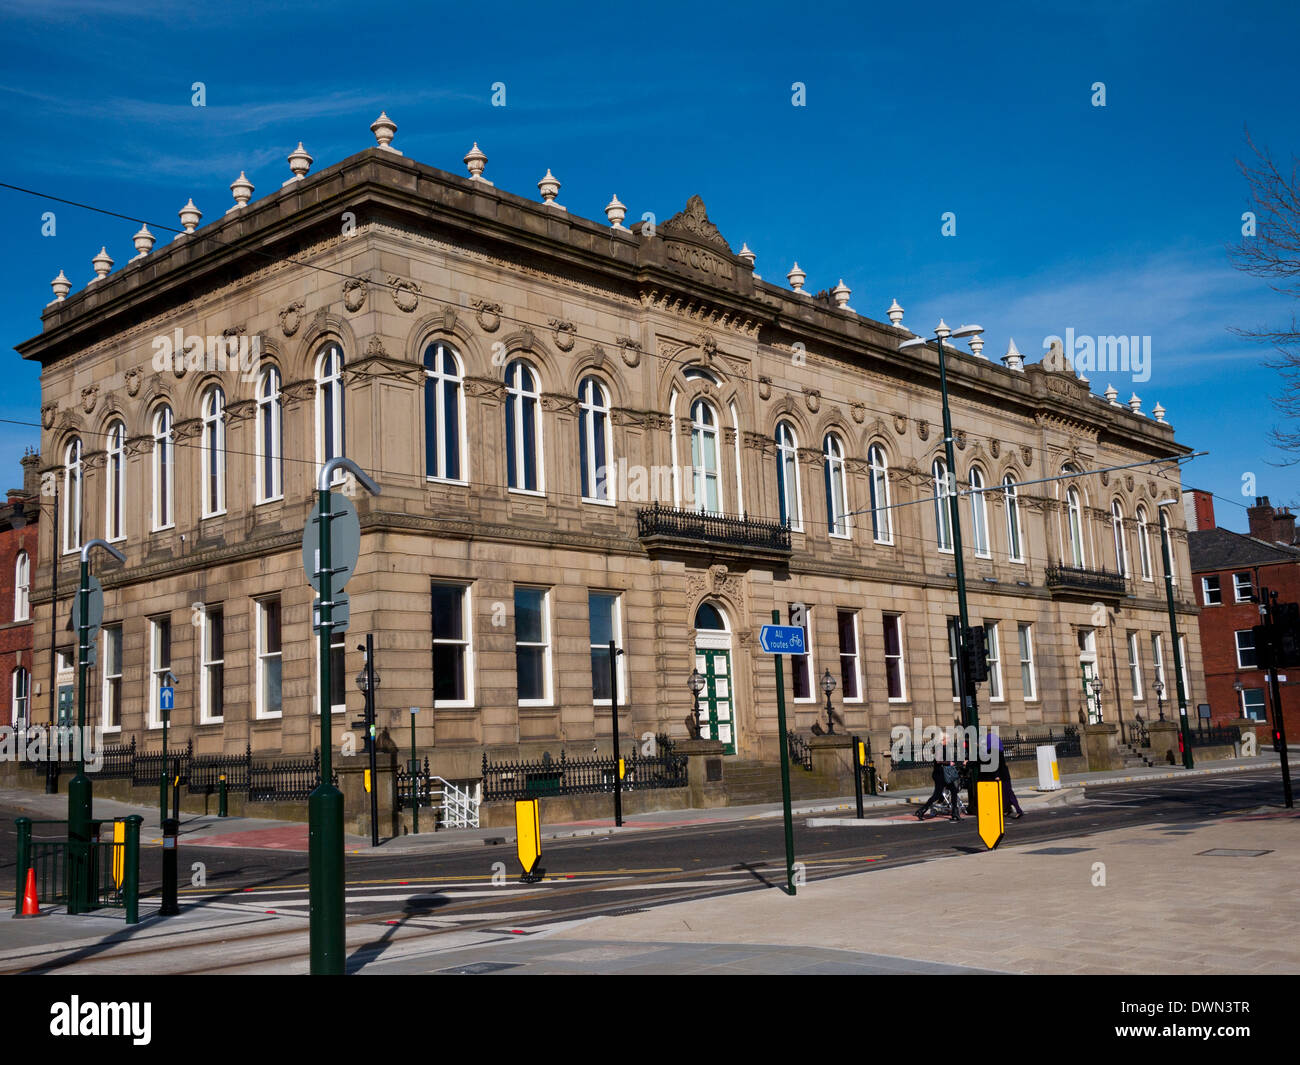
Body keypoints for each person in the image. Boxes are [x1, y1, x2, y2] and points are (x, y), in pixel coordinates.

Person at [916, 731, 962, 821]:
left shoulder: (944, 747)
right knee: (937, 795)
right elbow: (938, 760)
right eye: (947, 739)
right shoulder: (939, 747)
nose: (949, 740)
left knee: (953, 790)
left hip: (943, 774)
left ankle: (954, 813)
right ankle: (921, 811)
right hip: (940, 774)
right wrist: (949, 762)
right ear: (943, 739)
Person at [984, 730, 1024, 819]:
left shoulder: (993, 751)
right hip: (1005, 774)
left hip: (1001, 775)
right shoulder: (999, 749)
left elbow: (995, 765)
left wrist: (996, 775)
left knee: (1008, 793)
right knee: (1005, 793)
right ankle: (1008, 810)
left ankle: (1019, 810)